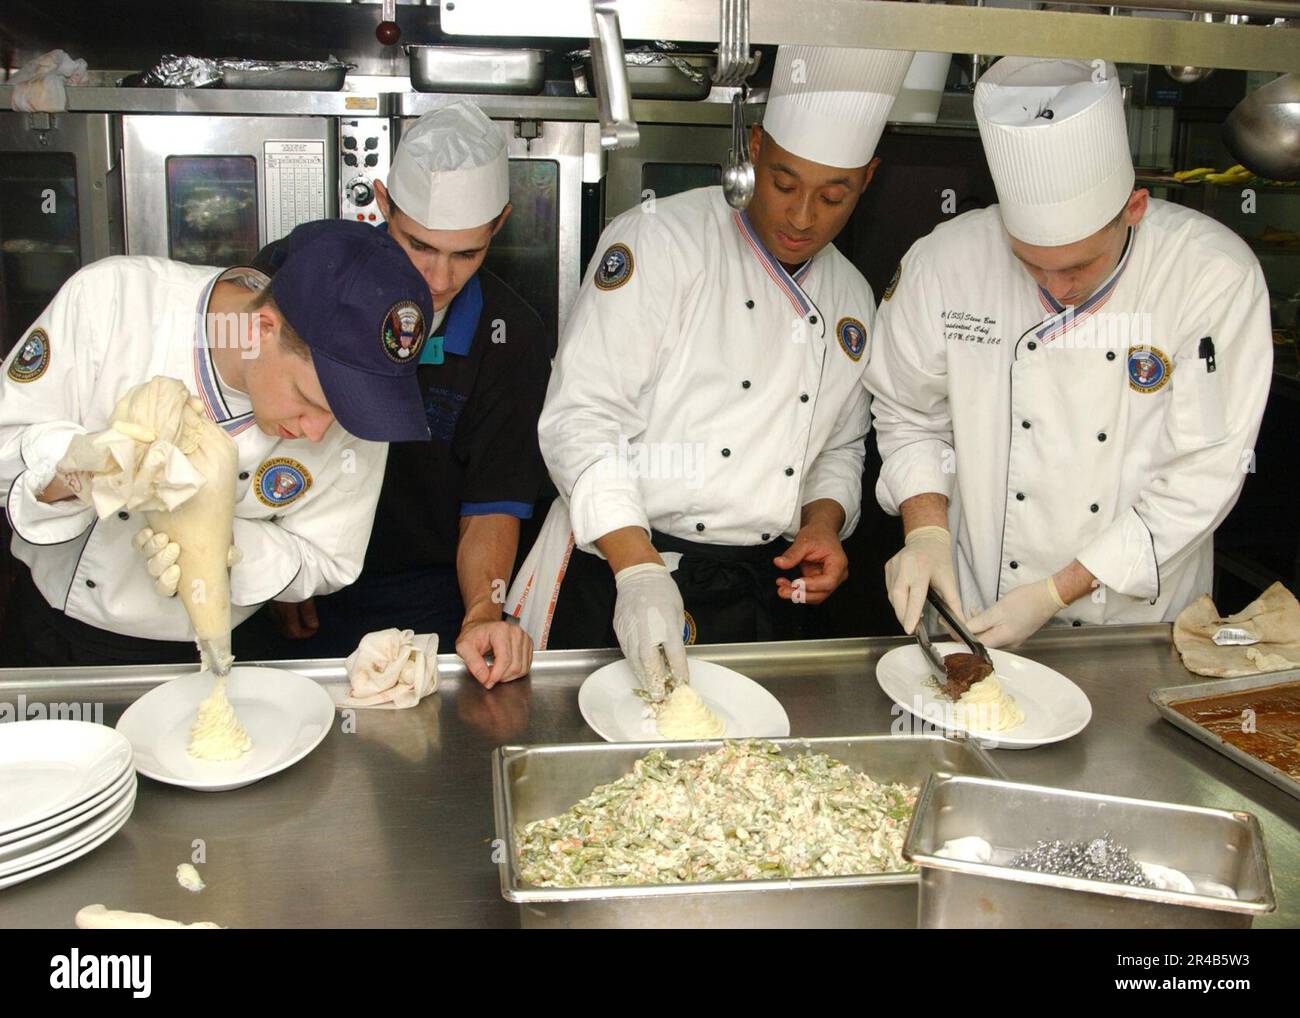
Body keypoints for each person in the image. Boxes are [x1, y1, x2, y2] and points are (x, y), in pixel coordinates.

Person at [508, 45, 914, 694]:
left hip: (759, 590)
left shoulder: (851, 297)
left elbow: (838, 448)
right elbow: (580, 419)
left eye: (833, 195)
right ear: (755, 147)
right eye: (785, 184)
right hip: (620, 567)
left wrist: (821, 524)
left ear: (867, 180)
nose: (804, 217)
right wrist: (637, 571)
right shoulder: (657, 243)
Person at [864, 56, 1273, 646]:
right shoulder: (944, 262)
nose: (1054, 288)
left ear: (1134, 209)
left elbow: (1203, 474)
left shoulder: (1211, 275)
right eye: (1030, 262)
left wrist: (1057, 591)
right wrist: (925, 531)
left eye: (1079, 265)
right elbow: (908, 415)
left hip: (1139, 626)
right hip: (977, 605)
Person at [0, 220, 434, 666]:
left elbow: (329, 559)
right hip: (61, 637)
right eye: (306, 400)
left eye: (343, 415)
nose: (319, 432)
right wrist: (85, 466)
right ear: (262, 329)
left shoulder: (357, 409)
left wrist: (222, 544)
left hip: (226, 653)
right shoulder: (114, 301)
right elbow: (5, 445)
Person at [241, 100, 550, 688]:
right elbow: (244, 424)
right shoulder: (295, 276)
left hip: (425, 597)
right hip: (286, 576)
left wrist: (484, 609)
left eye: (466, 254)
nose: (438, 279)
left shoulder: (510, 337)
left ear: (500, 224)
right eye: (419, 246)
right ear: (382, 203)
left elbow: (493, 501)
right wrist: (270, 569)